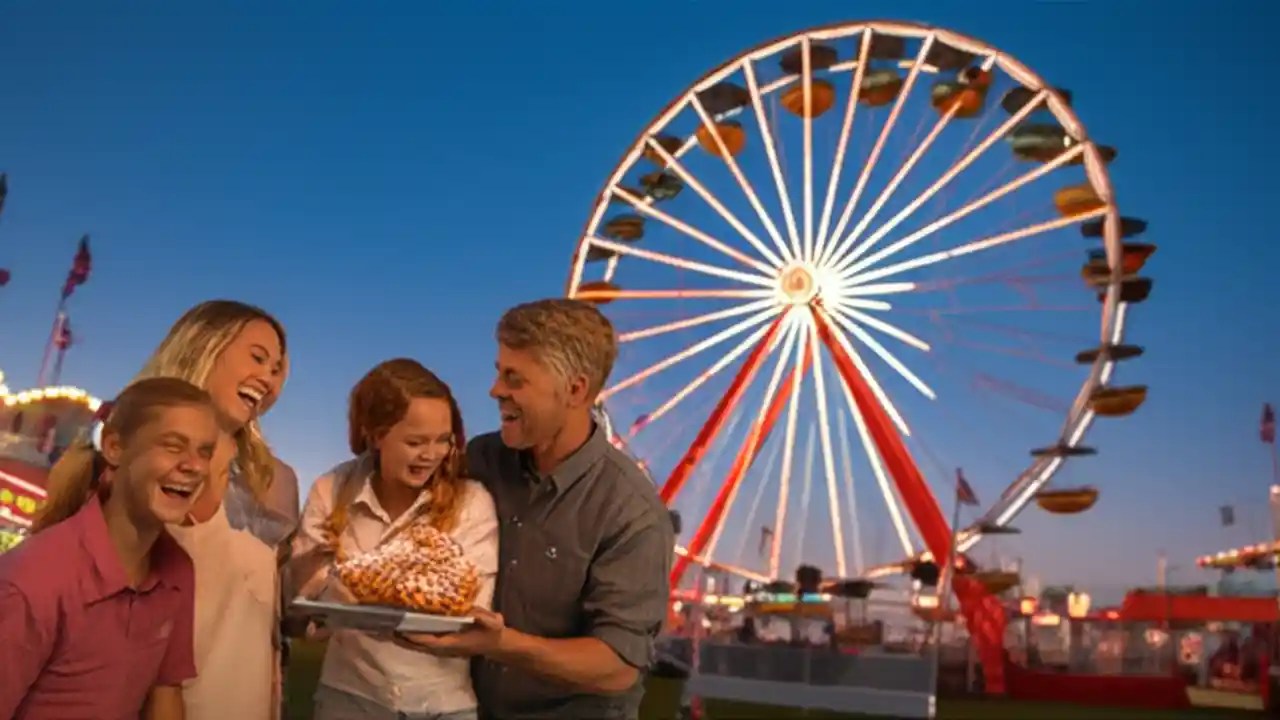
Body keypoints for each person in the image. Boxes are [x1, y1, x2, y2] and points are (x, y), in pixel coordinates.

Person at [403, 299, 674, 720]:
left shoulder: (631, 512)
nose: (495, 389)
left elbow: (618, 666)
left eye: (515, 378)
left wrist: (502, 644)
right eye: (498, 371)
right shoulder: (483, 459)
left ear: (575, 390)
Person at [288, 359, 498, 720]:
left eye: (443, 440)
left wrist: (360, 589)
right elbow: (310, 588)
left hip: (442, 702)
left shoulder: (472, 501)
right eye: (415, 442)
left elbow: (467, 601)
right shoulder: (332, 490)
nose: (431, 455)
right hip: (350, 695)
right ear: (376, 434)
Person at [0, 377, 217, 719]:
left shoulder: (178, 571)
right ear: (115, 448)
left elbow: (166, 692)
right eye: (174, 446)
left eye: (205, 451)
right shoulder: (32, 581)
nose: (196, 466)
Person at [131, 300, 299, 719]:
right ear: (202, 346)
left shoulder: (276, 481)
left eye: (277, 370)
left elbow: (273, 611)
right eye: (258, 358)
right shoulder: (134, 457)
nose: (268, 378)